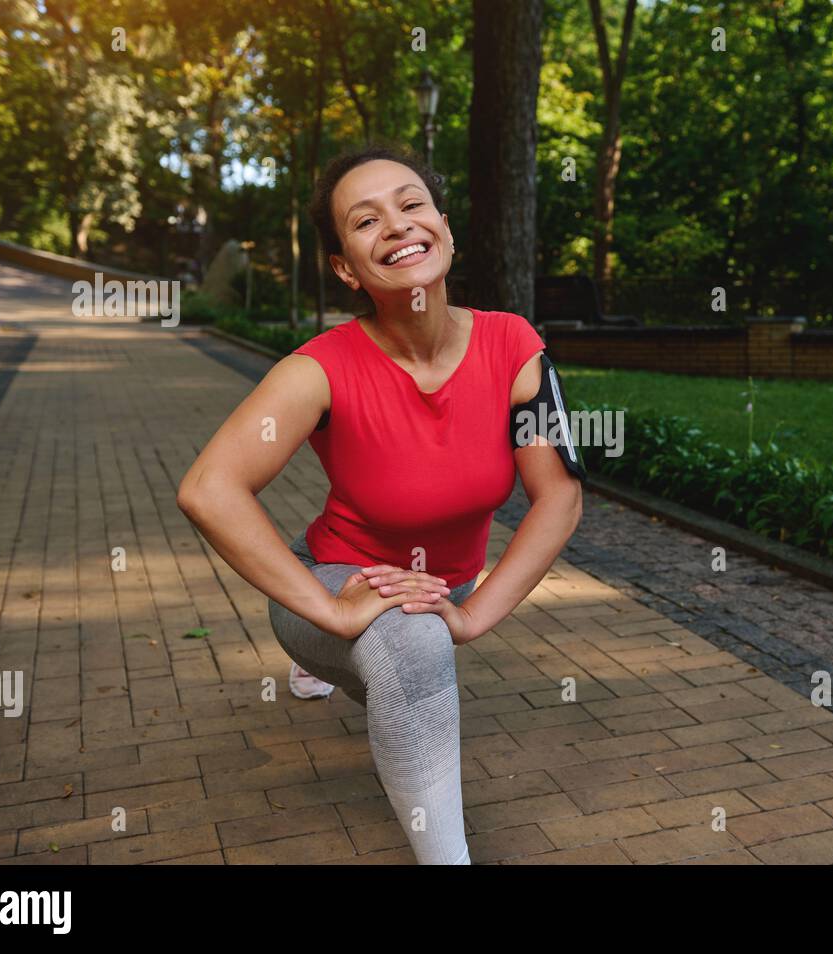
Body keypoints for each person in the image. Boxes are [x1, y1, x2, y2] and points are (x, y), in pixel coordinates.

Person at [176, 145, 585, 864]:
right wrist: (329, 609)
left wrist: (473, 613)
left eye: (411, 204)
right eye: (365, 221)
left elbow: (558, 496)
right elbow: (208, 489)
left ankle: (378, 658)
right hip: (336, 580)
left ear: (446, 230)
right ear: (345, 267)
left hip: (441, 588)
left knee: (421, 644)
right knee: (411, 640)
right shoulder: (319, 369)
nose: (397, 226)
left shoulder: (514, 346)